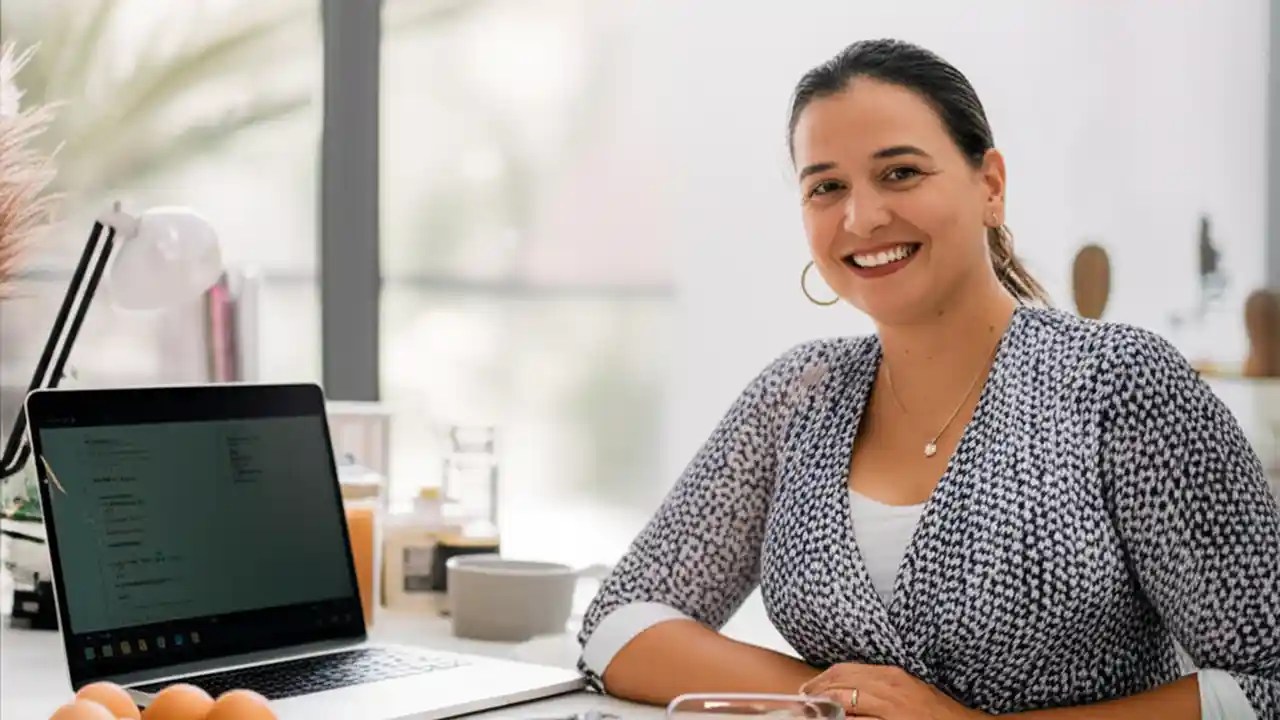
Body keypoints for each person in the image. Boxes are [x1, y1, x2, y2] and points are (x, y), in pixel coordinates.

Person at [576, 38, 1280, 719]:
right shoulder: (800, 395)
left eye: (900, 173)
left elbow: (1266, 680)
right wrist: (841, 699)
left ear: (990, 186)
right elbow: (619, 624)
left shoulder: (1120, 383)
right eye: (826, 187)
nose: (862, 217)